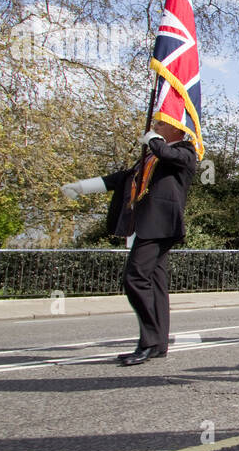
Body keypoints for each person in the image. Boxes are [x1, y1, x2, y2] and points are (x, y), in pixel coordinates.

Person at [62, 118, 199, 365]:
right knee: (155, 284)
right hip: (147, 223)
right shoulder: (152, 157)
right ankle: (157, 344)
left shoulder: (186, 151)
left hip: (161, 225)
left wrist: (154, 141)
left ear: (177, 129)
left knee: (135, 277)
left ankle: (148, 342)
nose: (154, 128)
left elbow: (168, 154)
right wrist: (83, 187)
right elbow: (124, 178)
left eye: (160, 125)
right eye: (155, 125)